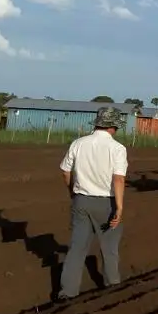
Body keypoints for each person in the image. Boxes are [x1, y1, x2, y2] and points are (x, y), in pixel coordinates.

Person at [54, 106, 128, 303]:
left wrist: (72, 192)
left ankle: (67, 292)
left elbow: (65, 171)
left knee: (77, 247)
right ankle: (112, 285)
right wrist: (119, 208)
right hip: (106, 203)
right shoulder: (117, 149)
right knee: (109, 247)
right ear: (113, 127)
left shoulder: (78, 143)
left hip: (80, 200)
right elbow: (118, 179)